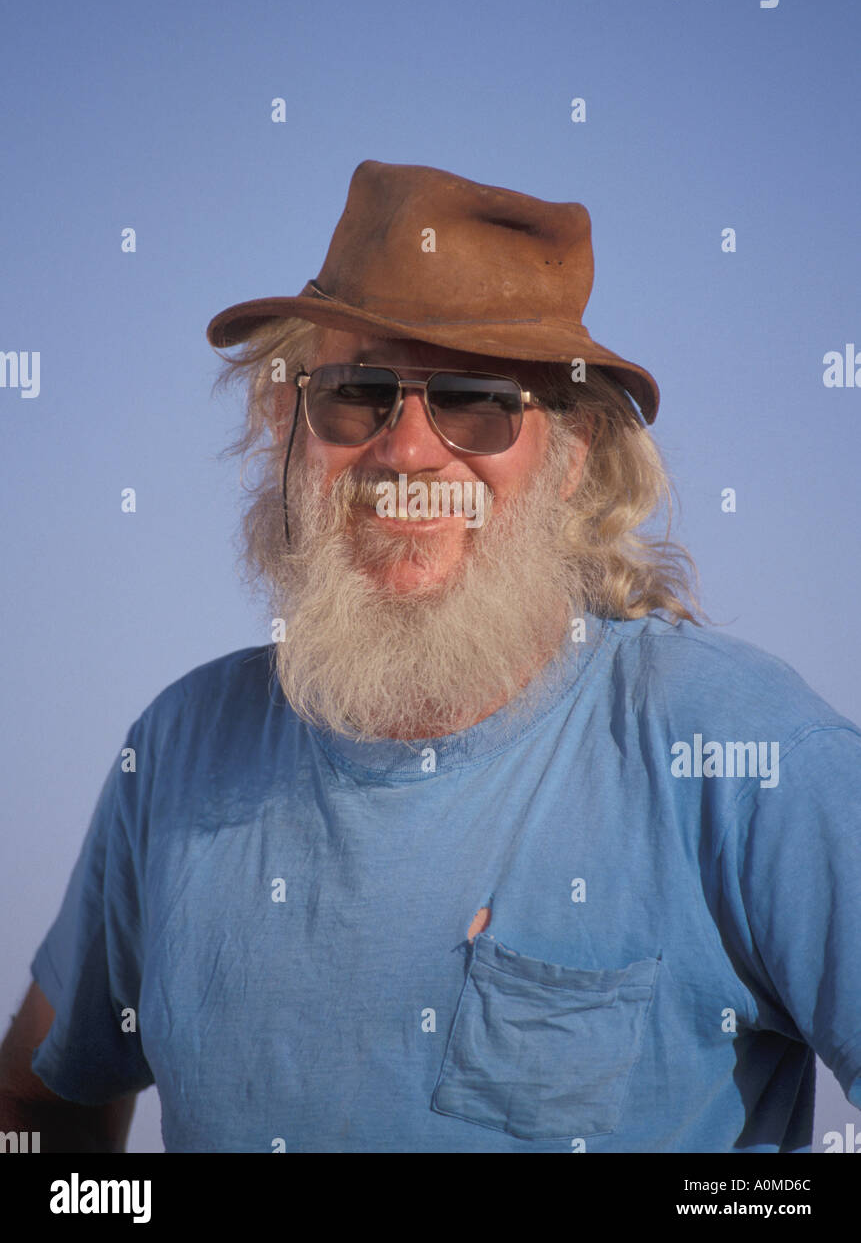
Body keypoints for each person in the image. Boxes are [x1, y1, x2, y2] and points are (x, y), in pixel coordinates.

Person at [2, 160, 859, 1153]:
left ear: (571, 453)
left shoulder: (742, 751)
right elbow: (40, 1103)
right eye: (358, 394)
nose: (408, 453)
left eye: (475, 402)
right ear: (285, 425)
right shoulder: (180, 751)